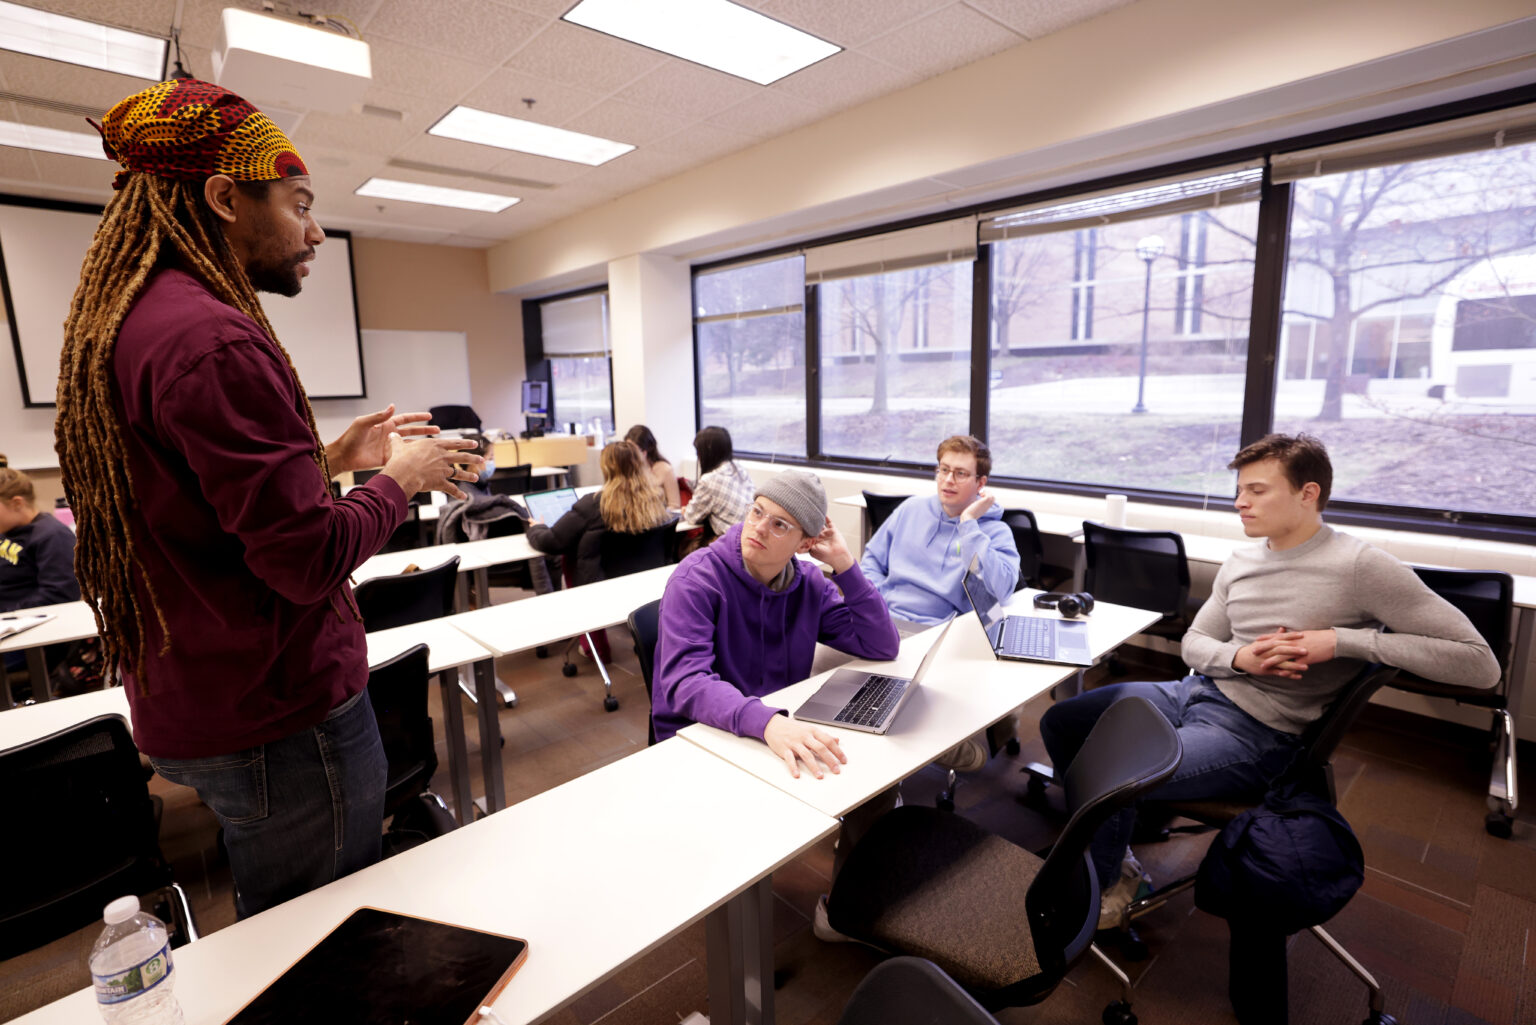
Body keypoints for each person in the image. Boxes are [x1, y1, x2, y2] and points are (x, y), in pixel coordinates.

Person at [54, 78, 482, 918]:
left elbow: (199, 507)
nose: (317, 227)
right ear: (222, 197)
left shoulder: (138, 318)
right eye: (297, 203)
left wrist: (325, 460)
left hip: (213, 695)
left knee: (283, 917)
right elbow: (305, 559)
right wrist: (402, 477)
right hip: (282, 714)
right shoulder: (211, 338)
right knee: (317, 936)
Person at [1039, 433, 1499, 928]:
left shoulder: (1361, 566)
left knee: (1113, 773)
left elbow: (1478, 663)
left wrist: (1342, 641)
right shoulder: (1242, 562)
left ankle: (1109, 884)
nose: (1241, 502)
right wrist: (1241, 658)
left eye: (1258, 490)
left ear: (1309, 494)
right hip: (1196, 692)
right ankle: (1113, 832)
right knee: (1062, 721)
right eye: (1240, 489)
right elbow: (1194, 644)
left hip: (1258, 733)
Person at [526, 441, 671, 659]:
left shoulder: (594, 503)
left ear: (607, 469)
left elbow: (551, 542)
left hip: (600, 590)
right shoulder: (656, 499)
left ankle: (597, 648)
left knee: (571, 556)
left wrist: (536, 528)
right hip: (648, 584)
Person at [859, 434, 1019, 625]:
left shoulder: (996, 532)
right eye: (944, 470)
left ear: (981, 483)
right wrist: (879, 599)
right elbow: (871, 561)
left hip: (940, 629)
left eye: (960, 473)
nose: (948, 480)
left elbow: (999, 593)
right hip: (886, 617)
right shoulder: (910, 508)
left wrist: (968, 524)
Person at [0, 467, 81, 613]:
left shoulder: (52, 536)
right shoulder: (6, 530)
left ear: (17, 503)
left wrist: (9, 613)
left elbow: (59, 595)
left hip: (26, 623)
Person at [680, 425, 755, 541]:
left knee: (683, 545)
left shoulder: (709, 480)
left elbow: (691, 517)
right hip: (750, 536)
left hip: (732, 543)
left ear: (706, 453)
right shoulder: (739, 469)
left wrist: (685, 510)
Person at [625, 424, 680, 510]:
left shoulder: (665, 469)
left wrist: (659, 516)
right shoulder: (627, 469)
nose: (630, 455)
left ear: (645, 451)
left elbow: (675, 505)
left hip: (659, 519)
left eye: (634, 451)